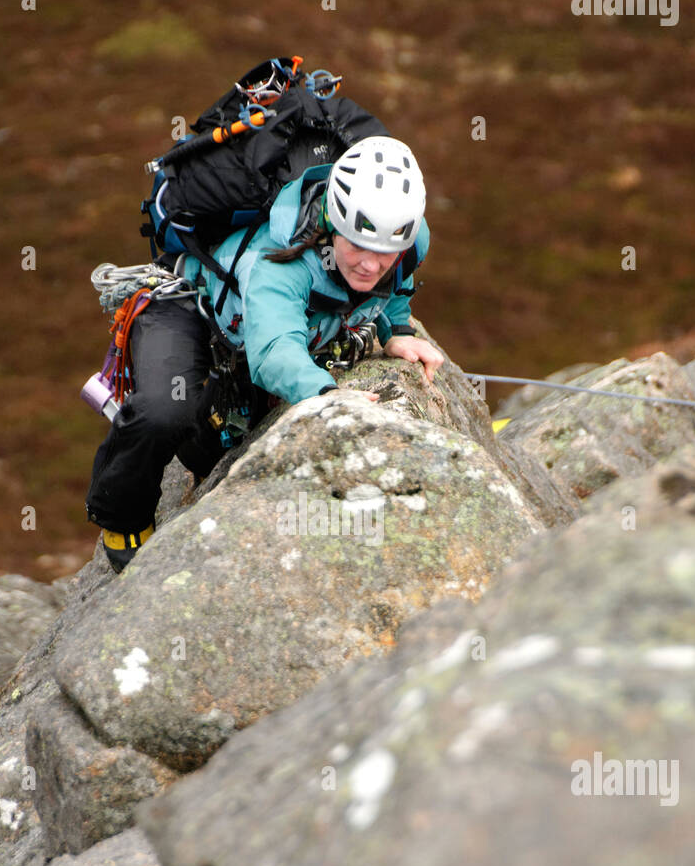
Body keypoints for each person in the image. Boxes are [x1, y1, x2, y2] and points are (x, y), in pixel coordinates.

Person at [85, 135, 442, 571]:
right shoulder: (278, 263)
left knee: (205, 455)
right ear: (332, 221)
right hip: (185, 305)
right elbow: (274, 350)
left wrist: (396, 330)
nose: (371, 264)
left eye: (386, 252)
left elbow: (398, 283)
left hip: (240, 337)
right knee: (166, 412)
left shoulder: (407, 236)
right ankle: (121, 517)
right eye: (358, 247)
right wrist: (326, 394)